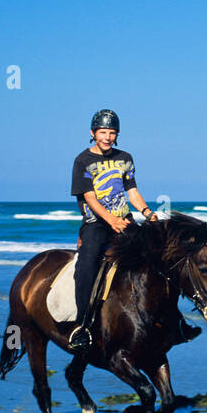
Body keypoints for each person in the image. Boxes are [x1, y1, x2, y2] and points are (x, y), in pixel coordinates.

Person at [67, 109, 157, 352]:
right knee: (86, 264)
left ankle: (169, 321)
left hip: (123, 219)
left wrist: (148, 213)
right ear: (93, 133)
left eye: (112, 133)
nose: (107, 137)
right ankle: (82, 325)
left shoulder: (125, 158)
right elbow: (90, 198)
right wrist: (111, 221)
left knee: (155, 255)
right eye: (103, 132)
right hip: (95, 222)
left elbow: (132, 192)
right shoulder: (82, 161)